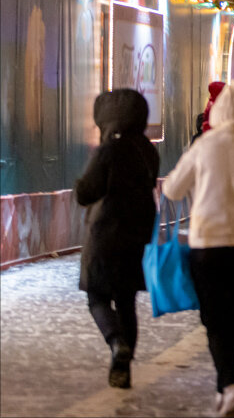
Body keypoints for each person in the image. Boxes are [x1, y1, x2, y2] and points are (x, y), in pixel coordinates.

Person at [163, 83, 234, 417]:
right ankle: (227, 386)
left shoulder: (203, 145)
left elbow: (171, 189)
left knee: (213, 318)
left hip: (207, 245)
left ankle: (228, 385)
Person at [75, 90, 160, 390]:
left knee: (96, 296)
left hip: (105, 235)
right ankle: (122, 370)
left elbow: (86, 193)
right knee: (126, 301)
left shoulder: (108, 151)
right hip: (138, 235)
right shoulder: (147, 150)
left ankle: (115, 342)